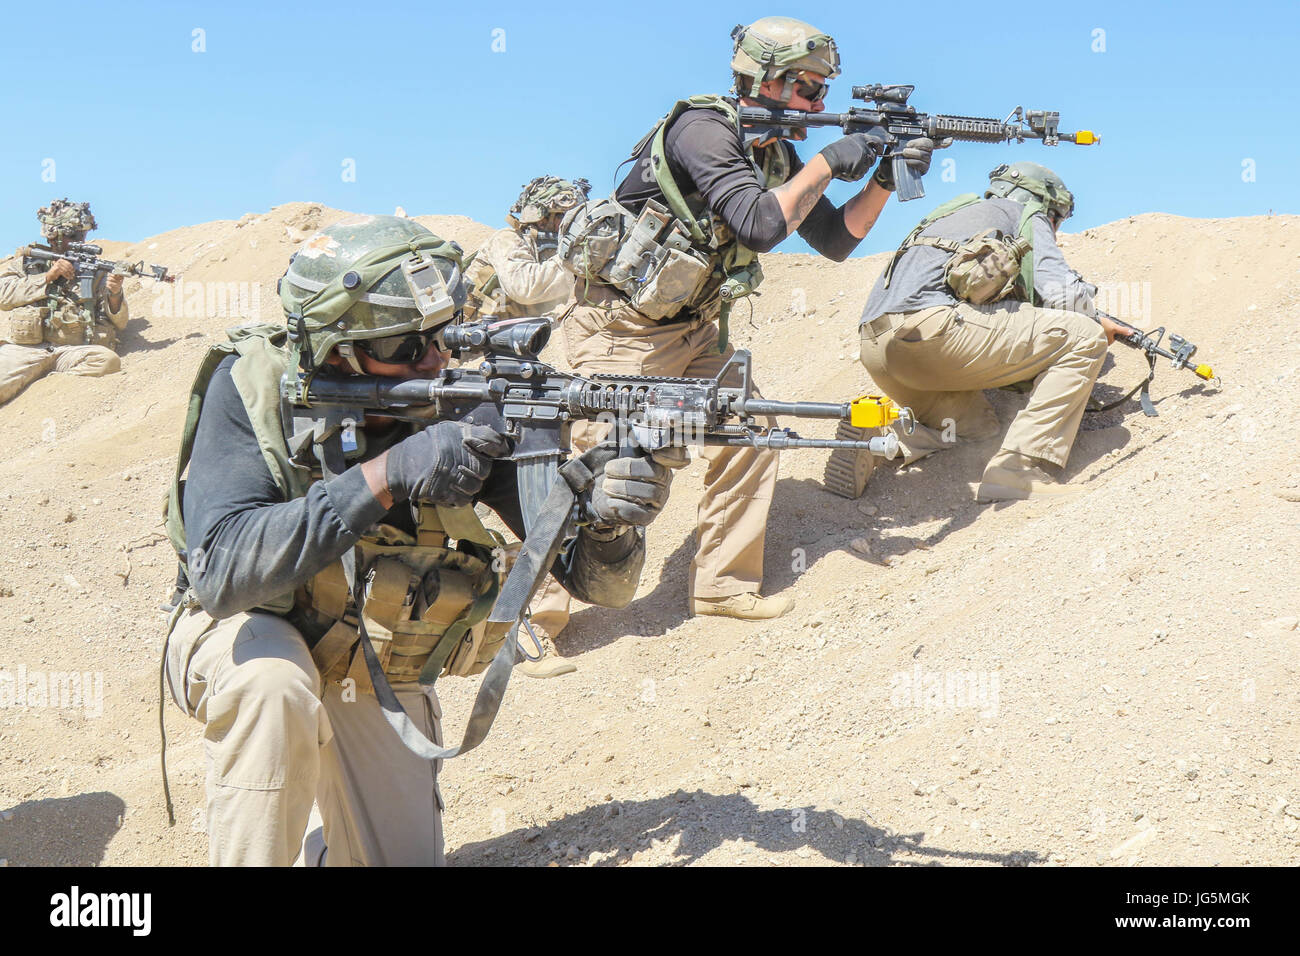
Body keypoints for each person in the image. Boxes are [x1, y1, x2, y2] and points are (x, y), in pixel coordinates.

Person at [161, 215, 683, 866]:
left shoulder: (472, 408)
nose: (435, 362)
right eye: (408, 350)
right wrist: (386, 475)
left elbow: (599, 585)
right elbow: (222, 572)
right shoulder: (252, 387)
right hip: (250, 630)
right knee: (272, 688)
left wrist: (608, 523)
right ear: (337, 349)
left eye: (441, 339)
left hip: (367, 648)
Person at [546, 16, 936, 635]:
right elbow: (757, 224)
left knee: (752, 431)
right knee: (600, 462)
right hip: (621, 328)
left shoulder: (774, 152)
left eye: (823, 91)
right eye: (810, 88)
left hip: (695, 327)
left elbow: (835, 239)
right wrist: (833, 161)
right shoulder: (702, 129)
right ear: (770, 82)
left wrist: (886, 176)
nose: (821, 102)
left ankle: (722, 589)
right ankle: (535, 620)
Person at [844, 161, 1127, 501]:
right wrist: (1097, 320)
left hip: (879, 349)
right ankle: (1017, 470)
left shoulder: (954, 215)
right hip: (932, 331)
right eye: (1058, 221)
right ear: (1045, 205)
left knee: (979, 432)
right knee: (1084, 336)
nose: (1055, 231)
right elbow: (1063, 293)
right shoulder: (1026, 214)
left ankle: (885, 441)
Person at [0, 199, 128, 406]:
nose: (81, 240)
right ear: (54, 237)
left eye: (81, 234)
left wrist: (115, 294)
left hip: (71, 351)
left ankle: (49, 387)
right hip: (26, 350)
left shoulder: (96, 270)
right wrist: (48, 277)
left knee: (107, 361)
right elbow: (3, 297)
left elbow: (120, 322)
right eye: (73, 235)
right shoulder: (29, 263)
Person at [461, 176, 586, 324]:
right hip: (476, 332)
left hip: (525, 335)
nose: (574, 222)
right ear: (543, 218)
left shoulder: (557, 246)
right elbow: (525, 288)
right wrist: (576, 258)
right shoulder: (507, 239)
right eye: (565, 215)